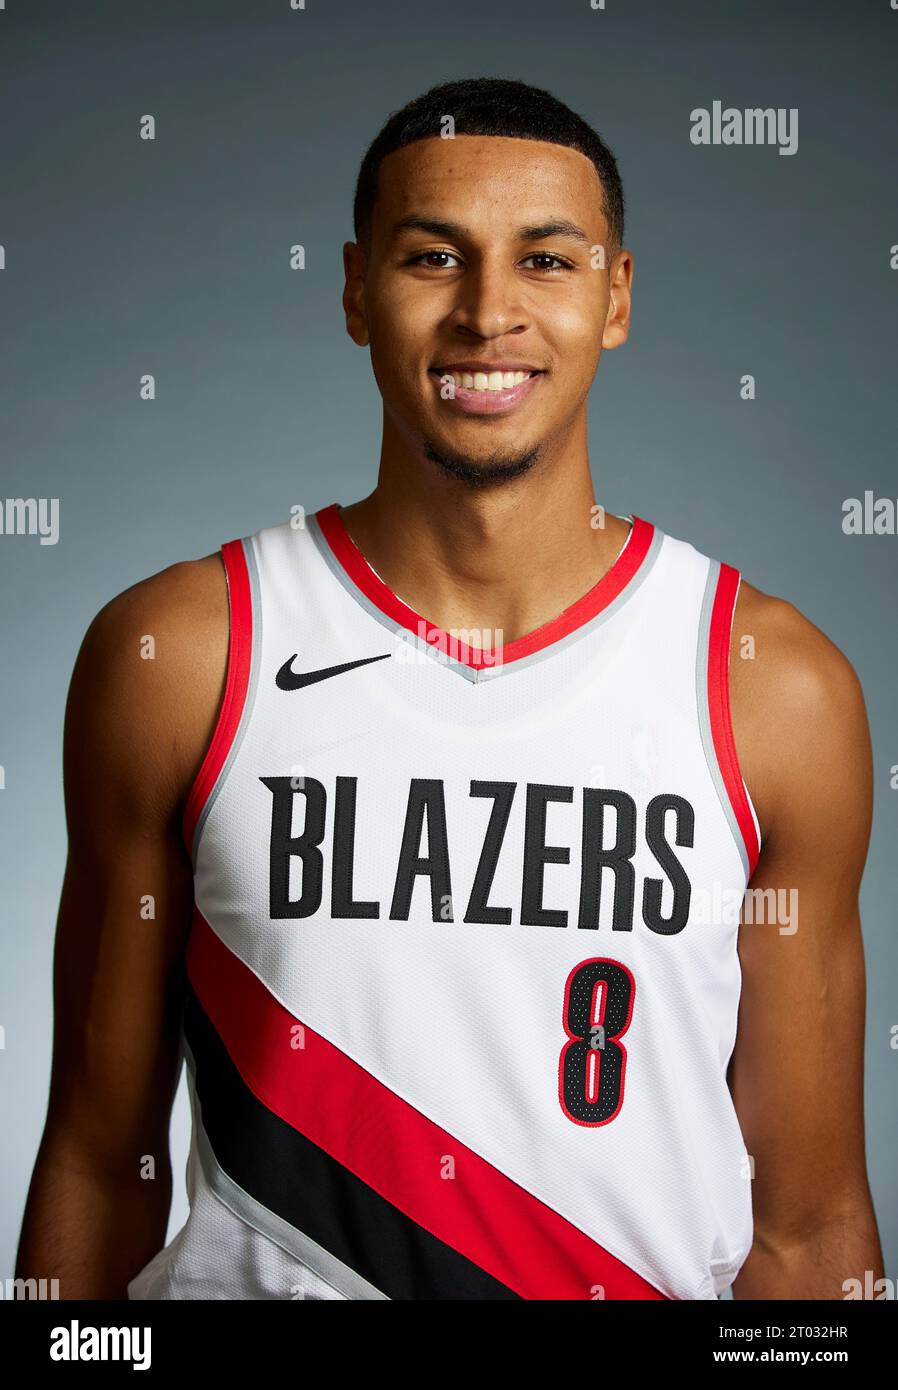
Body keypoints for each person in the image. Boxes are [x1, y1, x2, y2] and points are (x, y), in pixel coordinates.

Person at [17, 76, 883, 1300]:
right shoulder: (182, 654)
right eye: (435, 258)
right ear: (357, 290)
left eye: (545, 260)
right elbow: (100, 1160)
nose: (489, 313)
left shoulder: (772, 688)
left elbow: (808, 1222)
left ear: (615, 297)